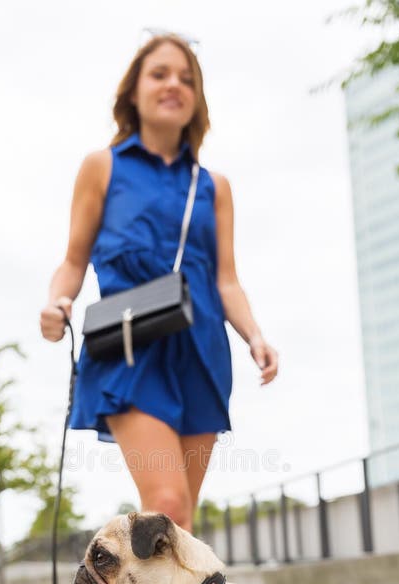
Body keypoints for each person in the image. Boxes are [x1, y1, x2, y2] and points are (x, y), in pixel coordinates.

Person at [40, 33, 278, 534]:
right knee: (166, 504)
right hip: (130, 349)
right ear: (133, 92)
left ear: (198, 100)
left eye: (187, 79)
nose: (174, 85)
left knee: (181, 524)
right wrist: (57, 302)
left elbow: (227, 280)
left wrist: (255, 335)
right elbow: (73, 260)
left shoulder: (215, 187)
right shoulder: (102, 168)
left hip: (200, 350)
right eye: (160, 74)